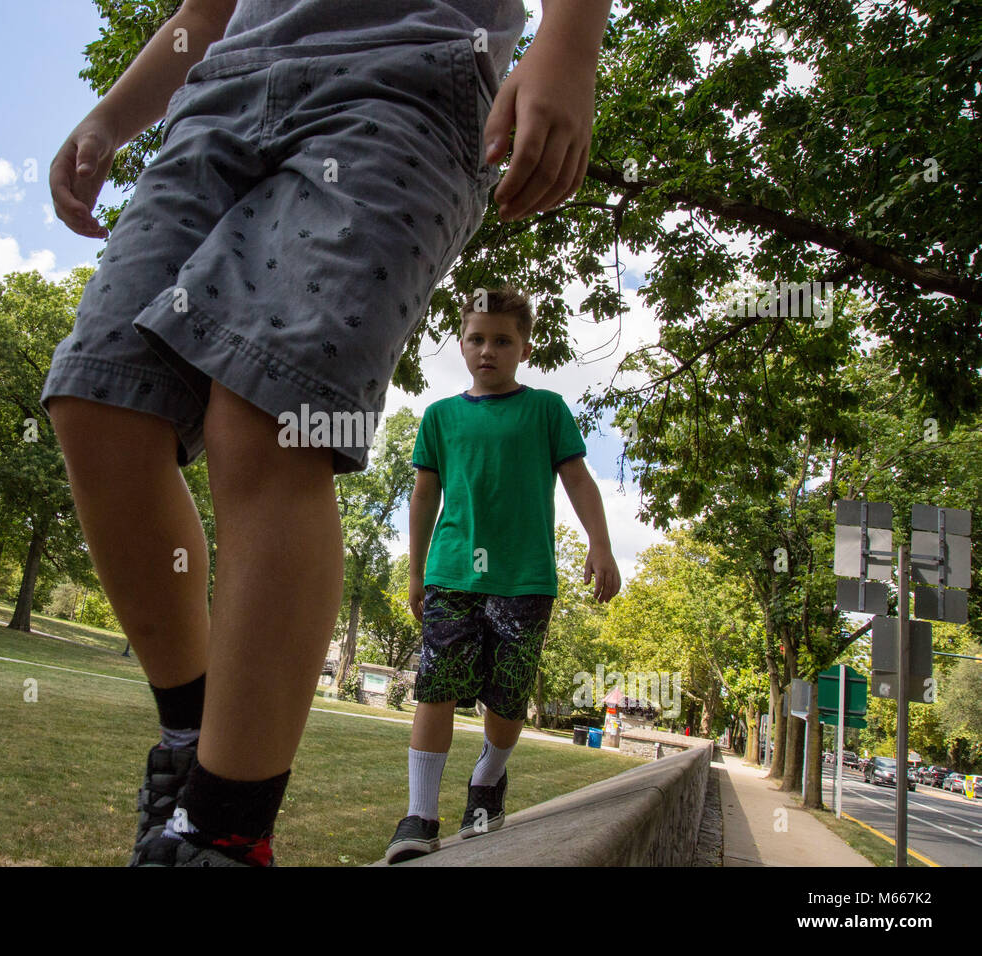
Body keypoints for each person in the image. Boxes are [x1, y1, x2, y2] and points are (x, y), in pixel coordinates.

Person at [43, 0, 612, 867]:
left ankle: (225, 830)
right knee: (98, 400)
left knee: (269, 422)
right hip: (221, 92)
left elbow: (564, 478)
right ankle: (194, 737)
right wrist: (111, 114)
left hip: (406, 81)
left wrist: (568, 44)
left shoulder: (540, 411)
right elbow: (207, 10)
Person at [385, 284, 620, 863]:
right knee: (435, 689)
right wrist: (416, 575)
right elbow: (422, 497)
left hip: (526, 578)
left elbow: (579, 481)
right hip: (451, 575)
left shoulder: (546, 410)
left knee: (508, 701)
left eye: (502, 340)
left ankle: (487, 780)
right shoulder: (439, 417)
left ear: (524, 348)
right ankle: (419, 817)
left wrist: (602, 546)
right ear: (461, 344)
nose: (487, 350)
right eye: (476, 338)